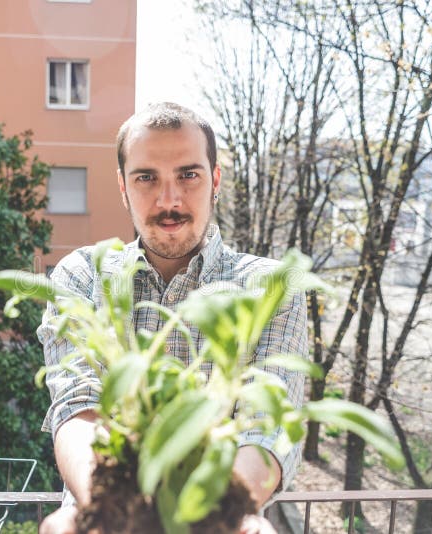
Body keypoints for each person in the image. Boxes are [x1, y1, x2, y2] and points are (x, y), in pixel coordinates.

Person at [37, 103, 308, 534]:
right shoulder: (82, 275)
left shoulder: (271, 287)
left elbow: (268, 427)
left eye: (188, 175)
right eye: (146, 178)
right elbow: (78, 408)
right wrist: (114, 515)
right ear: (124, 188)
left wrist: (209, 517)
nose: (169, 200)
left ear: (215, 180)